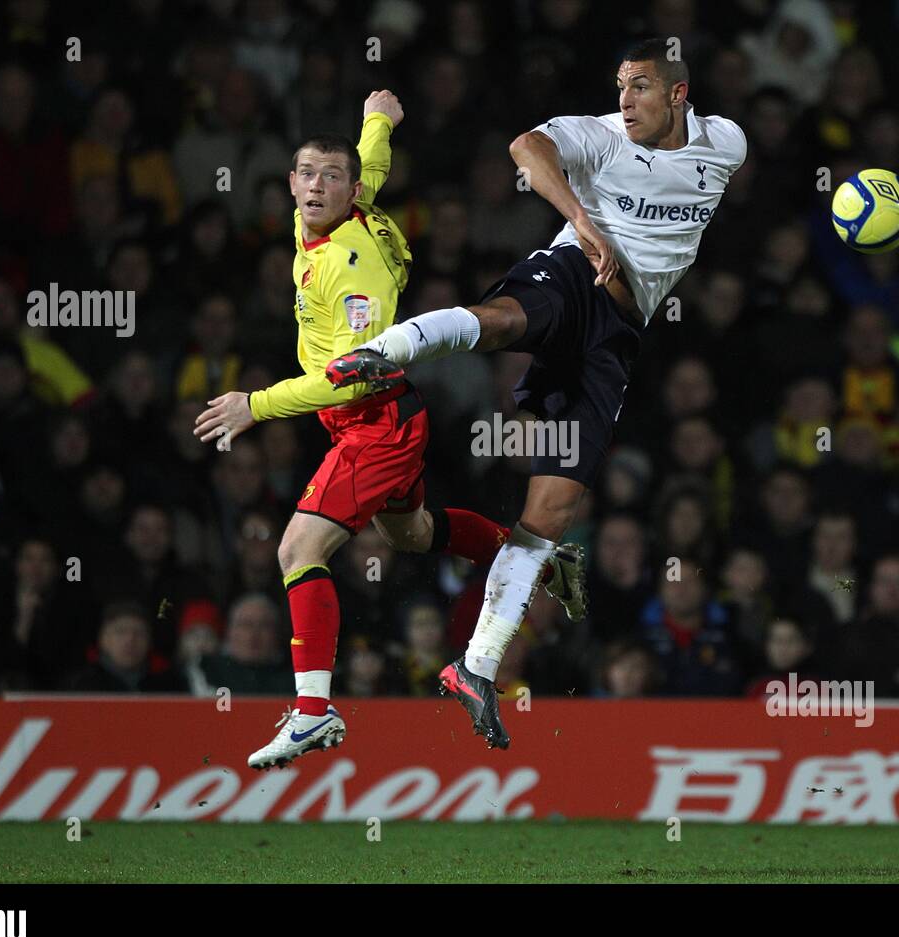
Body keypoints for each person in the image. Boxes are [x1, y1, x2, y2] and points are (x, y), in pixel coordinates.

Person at [328, 38, 747, 747]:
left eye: (639, 87)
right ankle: (379, 350)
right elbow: (526, 146)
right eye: (619, 85)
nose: (625, 100)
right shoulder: (603, 137)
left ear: (679, 94)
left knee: (552, 509)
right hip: (575, 275)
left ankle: (477, 665)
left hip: (618, 334)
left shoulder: (726, 143)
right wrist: (581, 222)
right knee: (506, 321)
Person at [192, 92, 585, 769]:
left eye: (330, 177)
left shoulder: (353, 269)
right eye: (307, 173)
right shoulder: (330, 211)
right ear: (292, 182)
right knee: (411, 533)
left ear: (346, 193)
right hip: (392, 418)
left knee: (297, 550)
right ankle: (537, 561)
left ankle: (313, 712)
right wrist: (379, 119)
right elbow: (370, 168)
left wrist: (254, 405)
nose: (317, 185)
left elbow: (355, 374)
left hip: (373, 421)